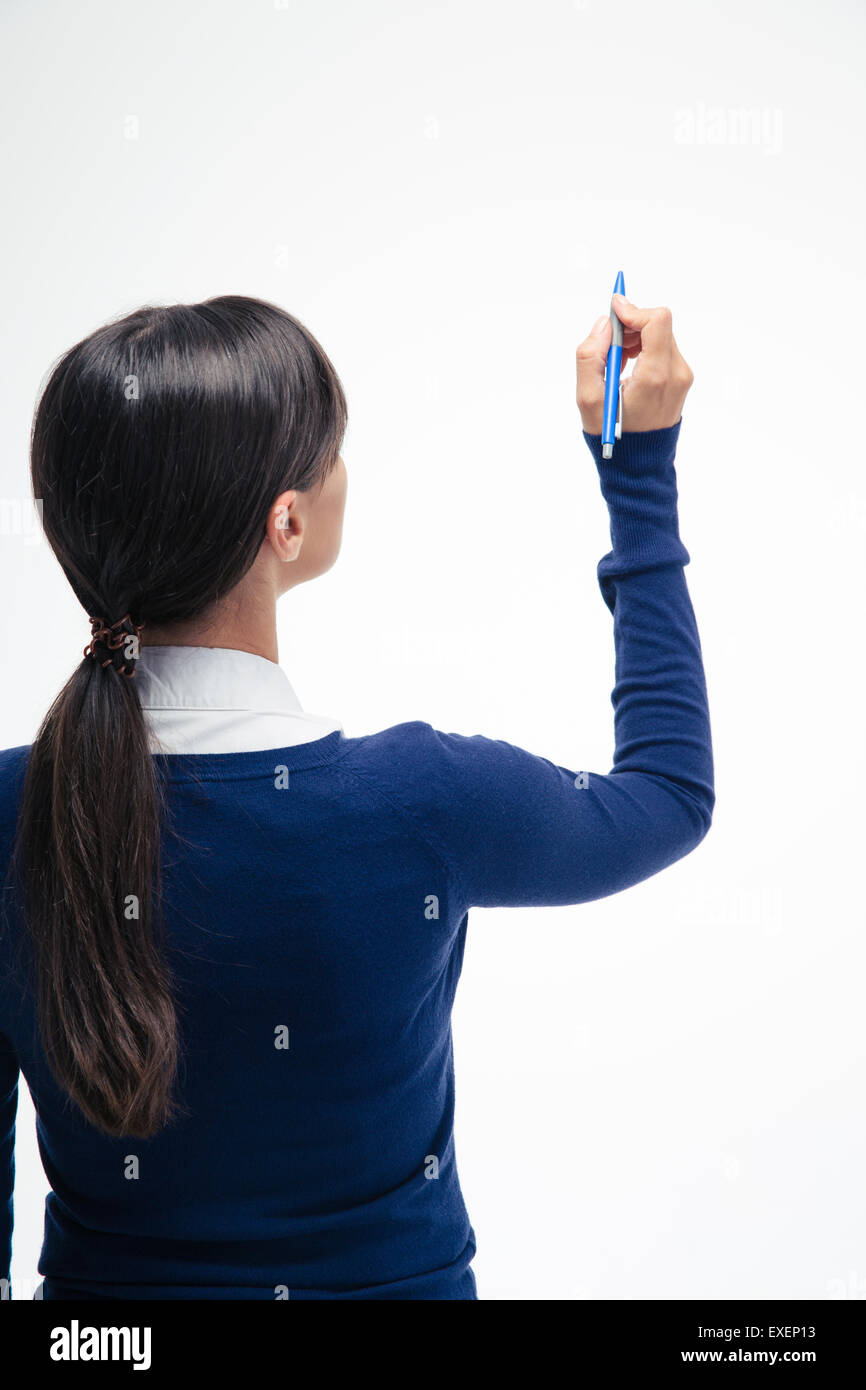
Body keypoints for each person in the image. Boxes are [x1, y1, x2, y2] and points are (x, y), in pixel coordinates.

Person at [0, 292, 712, 1300]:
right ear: (285, 521)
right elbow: (667, 794)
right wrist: (638, 467)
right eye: (330, 451)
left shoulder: (8, 812)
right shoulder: (420, 800)